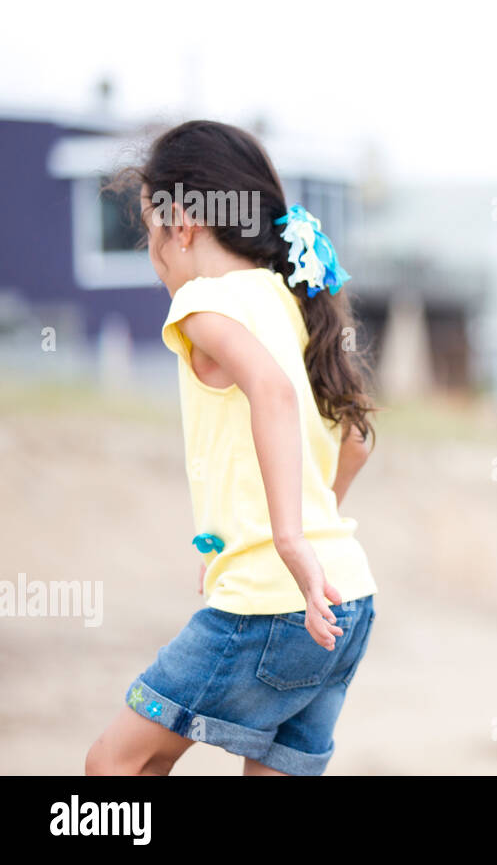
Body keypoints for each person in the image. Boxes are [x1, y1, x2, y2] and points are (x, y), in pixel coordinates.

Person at [85, 120, 379, 775]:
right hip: (348, 599)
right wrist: (291, 532)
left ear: (181, 223)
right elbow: (353, 441)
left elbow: (270, 391)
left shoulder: (203, 304)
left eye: (148, 232)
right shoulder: (295, 299)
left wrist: (285, 544)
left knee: (114, 767)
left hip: (274, 602)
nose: (152, 254)